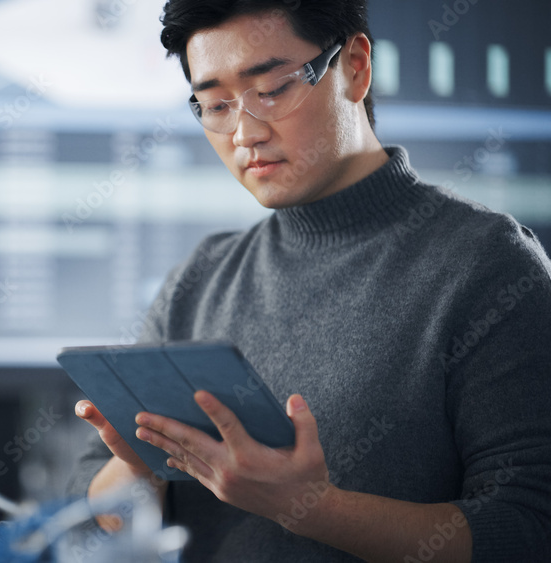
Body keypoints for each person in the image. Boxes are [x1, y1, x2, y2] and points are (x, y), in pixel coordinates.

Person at [67, 0, 551, 561]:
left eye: (271, 88)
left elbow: (527, 529)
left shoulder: (488, 266)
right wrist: (134, 464)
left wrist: (312, 507)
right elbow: (91, 517)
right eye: (215, 104)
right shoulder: (201, 280)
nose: (244, 132)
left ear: (355, 67)